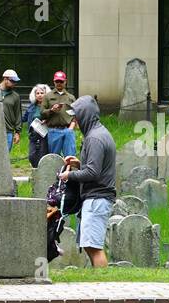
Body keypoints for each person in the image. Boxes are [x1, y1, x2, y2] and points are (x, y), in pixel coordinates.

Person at [60, 96, 116, 268]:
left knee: (94, 247)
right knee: (90, 245)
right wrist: (79, 164)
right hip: (97, 197)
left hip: (97, 198)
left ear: (86, 114)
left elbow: (93, 172)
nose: (75, 120)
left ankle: (103, 284)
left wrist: (69, 176)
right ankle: (98, 283)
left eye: (77, 115)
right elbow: (94, 167)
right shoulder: (98, 134)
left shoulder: (94, 139)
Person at [23, 83, 50, 168]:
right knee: (32, 156)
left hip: (45, 135)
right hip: (33, 134)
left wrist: (47, 120)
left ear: (46, 94)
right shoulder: (31, 107)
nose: (40, 95)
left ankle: (42, 173)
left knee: (42, 155)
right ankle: (36, 170)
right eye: (37, 93)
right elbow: (23, 118)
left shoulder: (49, 106)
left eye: (42, 93)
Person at [0, 69, 22, 152]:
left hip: (8, 131)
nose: (14, 83)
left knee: (6, 155)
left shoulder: (16, 96)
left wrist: (17, 132)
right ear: (5, 79)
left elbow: (18, 114)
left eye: (15, 81)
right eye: (12, 81)